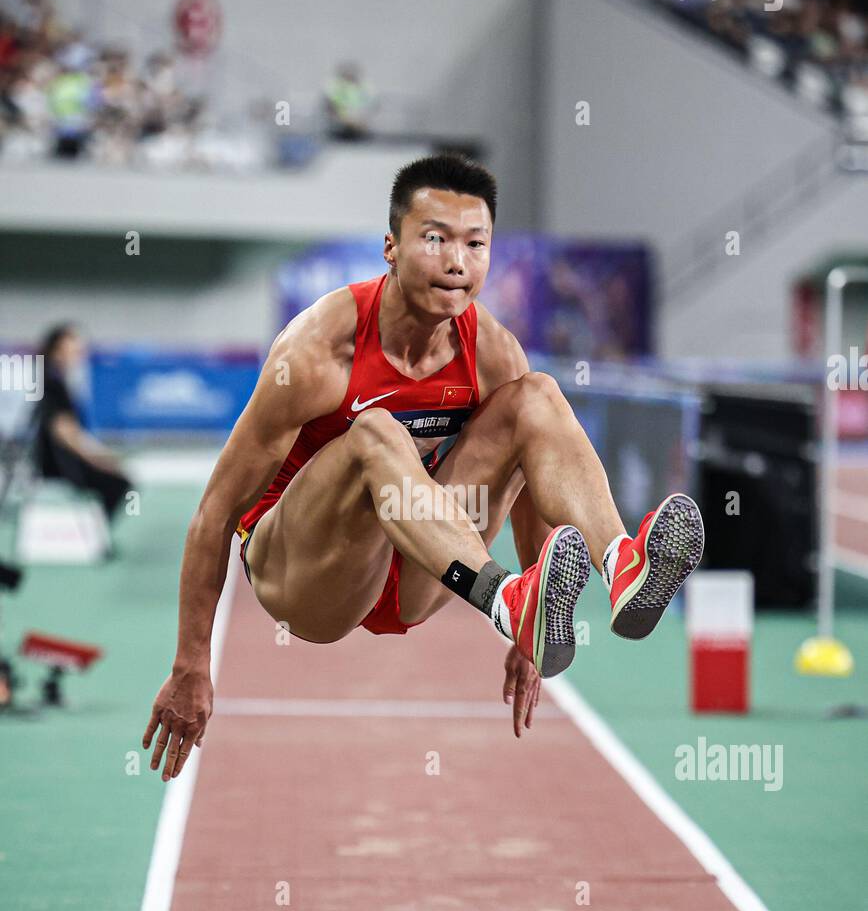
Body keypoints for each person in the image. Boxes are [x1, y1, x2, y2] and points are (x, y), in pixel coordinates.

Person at [143, 153, 704, 781]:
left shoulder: (490, 349)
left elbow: (526, 485)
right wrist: (191, 664)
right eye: (435, 239)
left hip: (421, 563)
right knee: (375, 433)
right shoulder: (315, 353)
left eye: (476, 243)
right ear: (391, 246)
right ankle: (503, 598)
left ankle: (619, 565)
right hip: (305, 574)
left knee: (536, 396)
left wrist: (543, 619)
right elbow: (214, 512)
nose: (457, 262)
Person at [33, 323, 132, 540]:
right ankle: (94, 535)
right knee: (121, 483)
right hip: (57, 464)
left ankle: (95, 533)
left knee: (119, 480)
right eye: (73, 344)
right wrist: (100, 459)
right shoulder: (52, 381)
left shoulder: (57, 378)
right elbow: (65, 433)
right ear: (57, 348)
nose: (80, 349)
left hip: (59, 458)